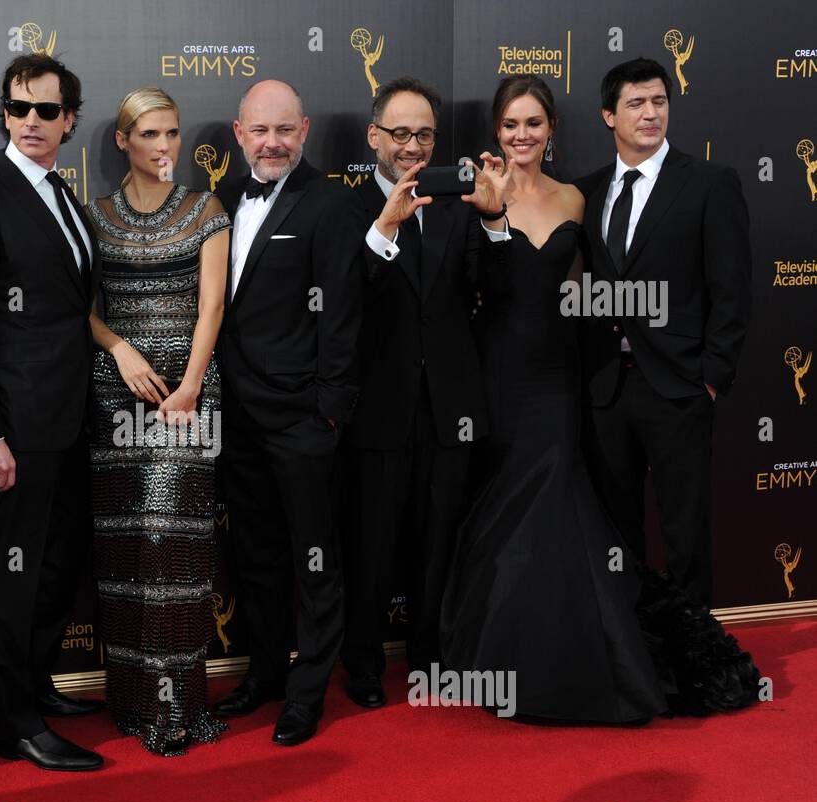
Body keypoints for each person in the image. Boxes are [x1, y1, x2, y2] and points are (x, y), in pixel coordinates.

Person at [440, 75, 759, 722]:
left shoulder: (579, 197)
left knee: (560, 509)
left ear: (553, 128)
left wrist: (704, 371)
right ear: (495, 132)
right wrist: (495, 217)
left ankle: (596, 657)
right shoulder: (476, 194)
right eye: (511, 124)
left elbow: (603, 291)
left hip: (564, 380)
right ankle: (502, 657)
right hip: (500, 375)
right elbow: (474, 285)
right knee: (505, 514)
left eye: (534, 122)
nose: (522, 134)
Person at [0, 54, 104, 771]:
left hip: (69, 422)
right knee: (12, 575)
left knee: (57, 565)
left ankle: (36, 682)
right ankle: (15, 722)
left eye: (46, 110)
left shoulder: (65, 195)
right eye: (18, 108)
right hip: (12, 428)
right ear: (4, 114)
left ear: (70, 118)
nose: (31, 121)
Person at [341, 77, 512, 708]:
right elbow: (342, 304)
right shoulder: (346, 209)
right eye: (400, 134)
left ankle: (429, 656)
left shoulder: (459, 206)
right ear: (374, 137)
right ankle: (360, 663)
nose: (413, 147)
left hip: (449, 410)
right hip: (377, 410)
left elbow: (495, 295)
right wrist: (383, 230)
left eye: (425, 136)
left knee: (438, 539)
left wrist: (494, 220)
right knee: (370, 544)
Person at [210, 80, 365, 746]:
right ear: (239, 135)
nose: (271, 143)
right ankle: (265, 675)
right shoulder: (220, 201)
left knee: (314, 561)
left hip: (302, 418)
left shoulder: (330, 202)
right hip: (237, 418)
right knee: (257, 557)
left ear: (303, 131)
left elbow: (343, 313)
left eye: (283, 130)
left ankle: (306, 694)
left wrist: (328, 411)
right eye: (258, 131)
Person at [85, 87, 231, 755]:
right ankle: (134, 703)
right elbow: (82, 306)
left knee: (172, 547)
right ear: (124, 141)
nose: (165, 146)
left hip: (188, 395)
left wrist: (191, 386)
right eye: (149, 134)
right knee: (128, 550)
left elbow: (211, 307)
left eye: (172, 133)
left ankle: (176, 708)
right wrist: (119, 349)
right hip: (119, 393)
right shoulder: (96, 216)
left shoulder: (206, 207)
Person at [576, 58, 752, 610]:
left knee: (685, 530)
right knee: (616, 531)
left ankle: (694, 653)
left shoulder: (709, 183)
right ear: (609, 115)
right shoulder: (585, 192)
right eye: (636, 103)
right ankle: (633, 653)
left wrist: (711, 380)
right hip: (606, 386)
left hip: (678, 387)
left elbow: (732, 291)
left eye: (659, 101)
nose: (650, 113)